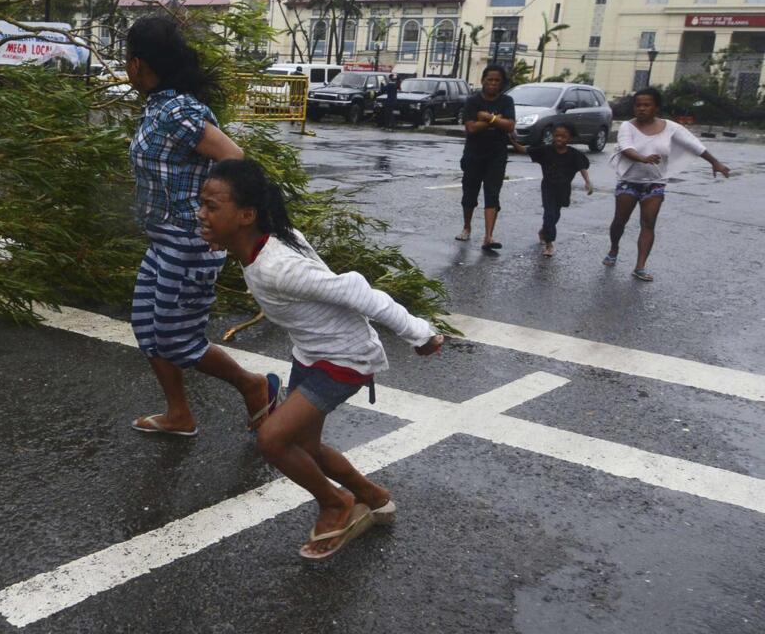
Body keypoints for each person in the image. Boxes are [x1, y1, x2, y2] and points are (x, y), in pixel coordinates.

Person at [197, 158, 445, 559]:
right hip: (312, 354)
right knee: (304, 447)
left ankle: (336, 503)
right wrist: (222, 241)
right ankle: (373, 497)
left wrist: (421, 333)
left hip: (345, 359)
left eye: (211, 206)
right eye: (202, 204)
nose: (201, 213)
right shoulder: (264, 243)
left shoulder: (278, 267)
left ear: (246, 216)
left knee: (273, 439)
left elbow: (356, 291)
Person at [123, 17, 279, 437]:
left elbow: (234, 157)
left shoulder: (178, 111)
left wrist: (219, 223)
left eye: (127, 58)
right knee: (147, 327)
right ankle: (179, 414)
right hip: (163, 240)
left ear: (138, 64)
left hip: (189, 242)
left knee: (177, 340)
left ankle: (253, 386)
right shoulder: (160, 106)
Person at [604, 88, 731, 281]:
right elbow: (626, 147)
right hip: (628, 182)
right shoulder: (627, 127)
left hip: (655, 183)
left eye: (647, 105)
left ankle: (640, 266)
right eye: (638, 105)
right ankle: (614, 248)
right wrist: (643, 158)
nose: (641, 109)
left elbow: (694, 145)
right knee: (620, 221)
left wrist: (715, 162)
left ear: (656, 107)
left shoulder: (671, 127)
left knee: (648, 223)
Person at [510, 124, 593, 257]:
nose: (559, 139)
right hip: (548, 187)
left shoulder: (574, 154)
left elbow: (582, 167)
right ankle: (549, 244)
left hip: (563, 189)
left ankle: (544, 230)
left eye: (563, 136)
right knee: (549, 214)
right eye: (557, 136)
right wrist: (512, 141)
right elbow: (525, 150)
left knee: (555, 214)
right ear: (553, 136)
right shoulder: (546, 150)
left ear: (570, 138)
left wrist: (587, 182)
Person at [457, 66, 516, 251]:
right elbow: (471, 128)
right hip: (474, 153)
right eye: (490, 79)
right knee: (469, 192)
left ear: (502, 83)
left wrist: (487, 118)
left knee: (492, 194)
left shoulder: (506, 101)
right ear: (483, 80)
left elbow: (510, 126)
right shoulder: (473, 101)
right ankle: (467, 227)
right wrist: (496, 120)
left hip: (497, 155)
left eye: (497, 80)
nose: (493, 83)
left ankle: (488, 236)